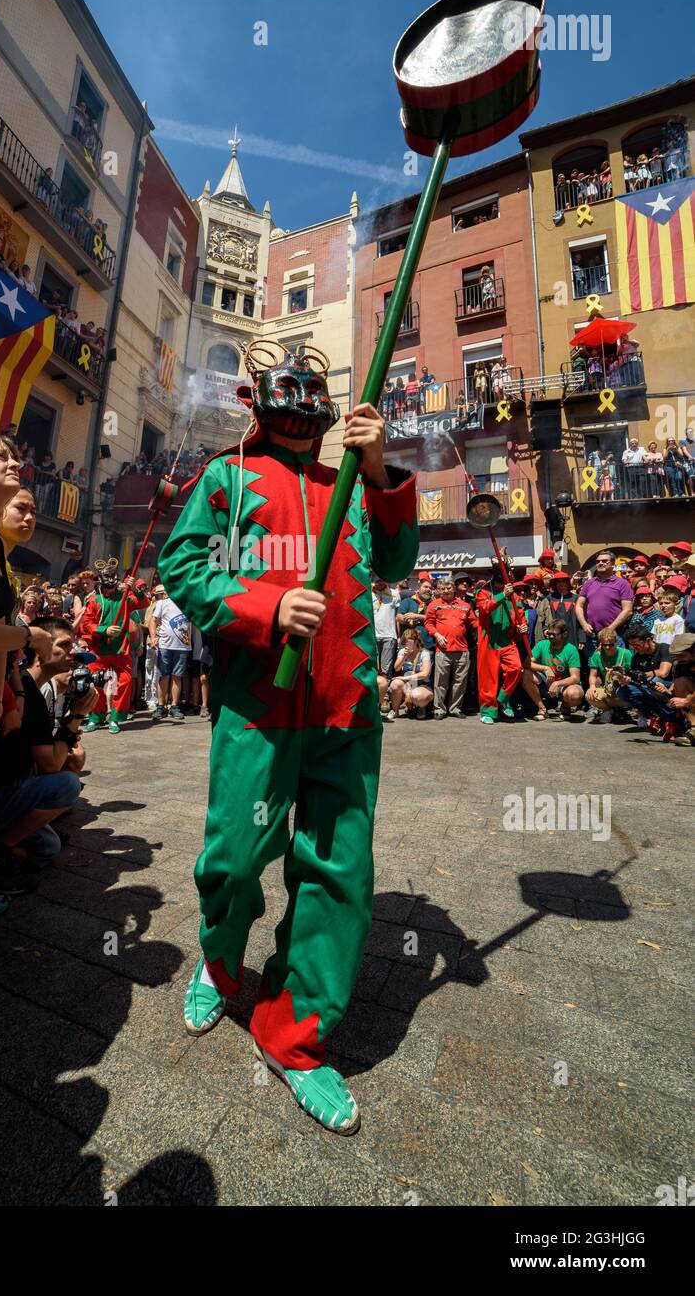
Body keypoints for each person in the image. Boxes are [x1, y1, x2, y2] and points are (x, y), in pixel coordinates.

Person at [156, 341, 418, 1135]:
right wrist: (264, 610)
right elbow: (184, 564)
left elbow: (397, 562)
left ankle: (294, 1035)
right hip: (258, 705)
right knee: (233, 857)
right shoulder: (227, 475)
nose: (303, 401)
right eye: (288, 387)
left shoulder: (351, 479)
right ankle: (219, 958)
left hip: (347, 707)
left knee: (338, 878)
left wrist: (376, 473)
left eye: (316, 387)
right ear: (258, 397)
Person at [0, 619, 97, 888]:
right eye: (63, 645)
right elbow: (51, 764)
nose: (72, 653)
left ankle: (2, 844)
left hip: (3, 792)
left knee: (49, 846)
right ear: (38, 647)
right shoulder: (27, 692)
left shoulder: (34, 689)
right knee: (66, 785)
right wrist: (77, 717)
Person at [78, 567, 147, 733]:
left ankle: (115, 718)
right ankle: (96, 717)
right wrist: (104, 630)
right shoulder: (94, 600)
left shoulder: (124, 597)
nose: (111, 589)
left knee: (125, 681)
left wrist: (135, 589)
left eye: (113, 586)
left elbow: (143, 603)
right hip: (99, 648)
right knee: (96, 682)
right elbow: (86, 624)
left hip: (121, 648)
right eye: (107, 586)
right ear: (101, 583)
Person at [476, 565, 525, 724]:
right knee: (488, 679)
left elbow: (520, 616)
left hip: (507, 641)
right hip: (489, 641)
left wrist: (522, 626)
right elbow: (484, 608)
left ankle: (503, 698)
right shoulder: (483, 591)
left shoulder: (514, 597)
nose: (501, 582)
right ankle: (488, 711)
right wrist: (502, 595)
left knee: (516, 668)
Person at [424, 574, 476, 719]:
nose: (446, 591)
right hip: (443, 650)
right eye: (442, 588)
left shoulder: (465, 606)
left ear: (453, 588)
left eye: (448, 588)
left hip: (462, 650)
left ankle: (455, 708)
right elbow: (428, 623)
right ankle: (439, 710)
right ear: (438, 591)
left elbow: (475, 623)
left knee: (460, 682)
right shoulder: (434, 605)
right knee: (441, 682)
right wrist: (437, 635)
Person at [615, 622, 674, 735]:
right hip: (647, 687)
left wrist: (643, 675)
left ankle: (670, 717)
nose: (634, 648)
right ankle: (655, 714)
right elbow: (635, 679)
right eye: (632, 645)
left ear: (648, 640)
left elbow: (663, 673)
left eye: (637, 645)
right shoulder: (636, 657)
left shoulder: (664, 648)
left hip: (667, 685)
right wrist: (626, 681)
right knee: (622, 691)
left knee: (655, 682)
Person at [149, 581, 192, 722]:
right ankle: (161, 706)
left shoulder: (188, 603)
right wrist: (154, 637)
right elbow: (153, 621)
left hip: (183, 645)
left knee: (177, 676)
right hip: (165, 645)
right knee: (163, 676)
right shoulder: (163, 603)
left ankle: (174, 706)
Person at [575, 551, 633, 643]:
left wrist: (609, 629)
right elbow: (579, 605)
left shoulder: (622, 584)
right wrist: (584, 624)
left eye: (604, 561)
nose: (600, 563)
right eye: (598, 561)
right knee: (593, 658)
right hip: (592, 635)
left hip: (614, 635)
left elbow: (628, 610)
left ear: (613, 564)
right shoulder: (589, 583)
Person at [530, 620, 583, 720]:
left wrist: (557, 683)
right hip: (546, 683)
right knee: (526, 674)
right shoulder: (542, 644)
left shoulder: (571, 649)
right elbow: (527, 663)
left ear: (564, 634)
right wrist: (545, 668)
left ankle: (565, 707)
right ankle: (542, 709)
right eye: (549, 633)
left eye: (554, 634)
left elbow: (575, 678)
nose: (550, 637)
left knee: (574, 694)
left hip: (563, 687)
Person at [585, 627, 634, 723]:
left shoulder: (626, 653)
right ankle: (607, 710)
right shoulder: (597, 655)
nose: (607, 647)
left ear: (615, 642)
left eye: (611, 645)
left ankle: (624, 710)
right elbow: (593, 675)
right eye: (604, 645)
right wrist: (592, 686)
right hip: (608, 689)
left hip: (624, 689)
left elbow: (633, 674)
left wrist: (621, 674)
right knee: (589, 695)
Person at [388, 628, 433, 718]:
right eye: (405, 642)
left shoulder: (424, 653)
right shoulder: (402, 651)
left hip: (422, 685)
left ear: (416, 641)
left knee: (416, 695)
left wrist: (405, 678)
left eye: (409, 642)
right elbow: (396, 668)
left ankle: (421, 707)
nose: (407, 645)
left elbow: (425, 674)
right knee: (395, 684)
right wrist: (405, 656)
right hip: (408, 686)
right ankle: (395, 710)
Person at [372, 577, 399, 713]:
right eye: (377, 581)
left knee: (386, 670)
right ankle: (373, 699)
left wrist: (398, 636)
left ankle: (384, 699)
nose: (380, 583)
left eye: (382, 580)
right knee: (373, 668)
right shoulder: (369, 594)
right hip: (373, 636)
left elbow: (396, 617)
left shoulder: (394, 594)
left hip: (389, 636)